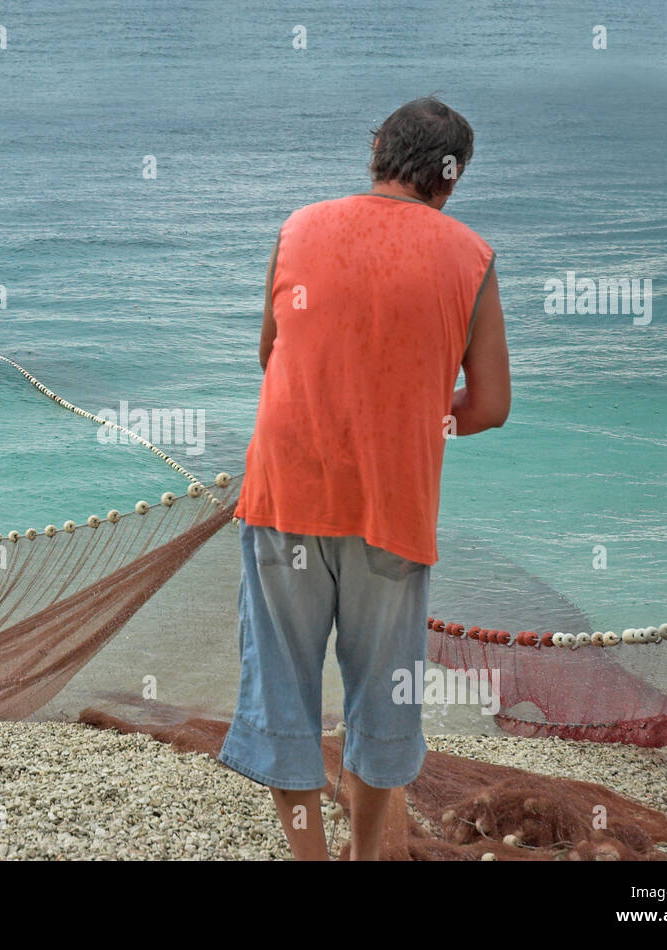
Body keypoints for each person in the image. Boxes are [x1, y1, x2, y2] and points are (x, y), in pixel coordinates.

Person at [218, 97, 511, 860]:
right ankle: (366, 857)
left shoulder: (298, 229)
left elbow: (269, 354)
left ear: (377, 148)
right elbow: (490, 407)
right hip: (393, 508)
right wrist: (414, 414)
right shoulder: (471, 256)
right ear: (452, 179)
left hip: (287, 493)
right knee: (384, 700)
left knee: (283, 690)